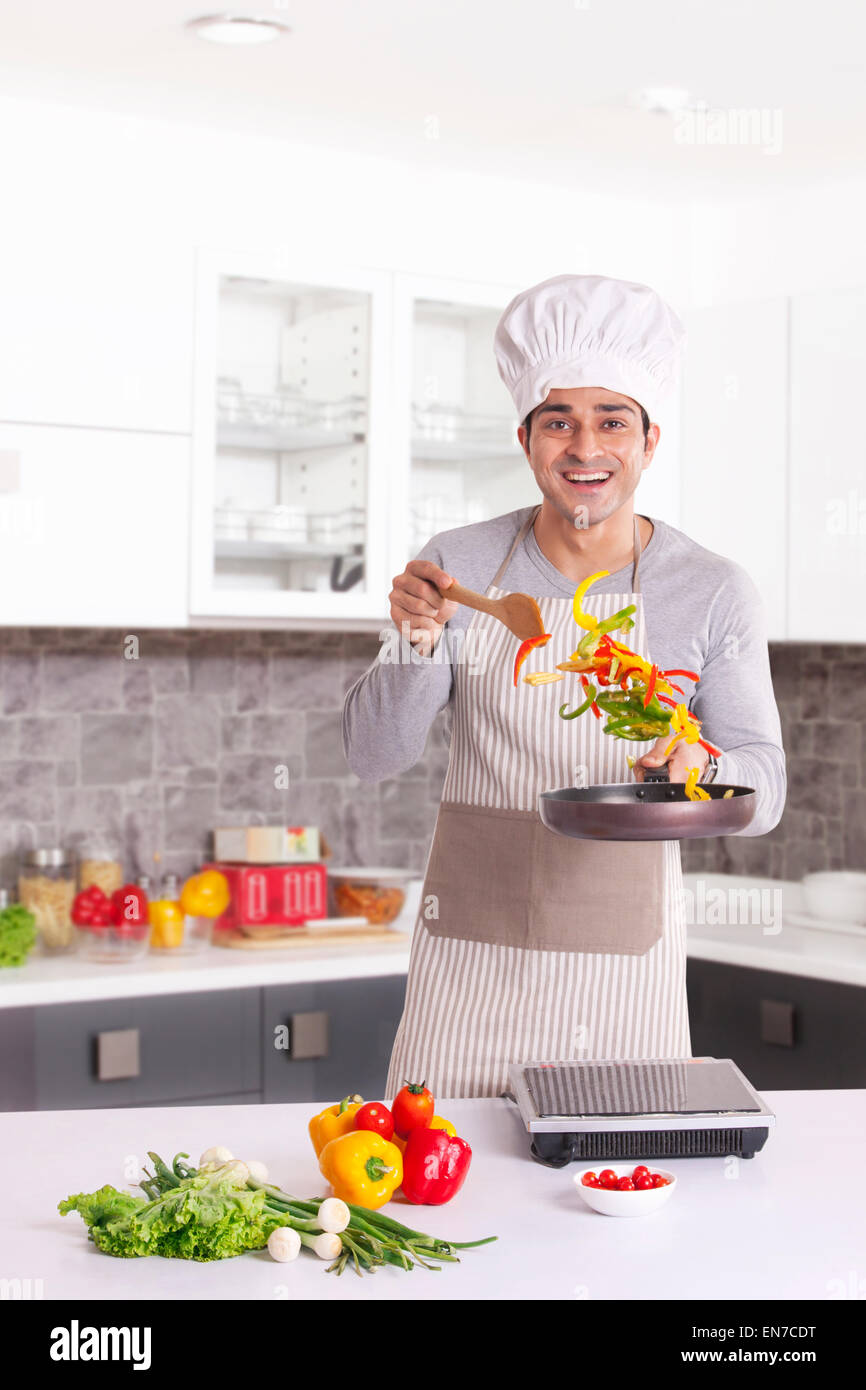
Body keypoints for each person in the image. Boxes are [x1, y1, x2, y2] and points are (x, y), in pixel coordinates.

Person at [342, 273, 786, 1098]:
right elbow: (374, 756)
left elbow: (767, 788)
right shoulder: (465, 566)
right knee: (444, 1212)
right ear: (525, 439)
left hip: (623, 986)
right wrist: (412, 644)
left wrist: (700, 760)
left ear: (651, 441)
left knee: (609, 1212)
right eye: (560, 422)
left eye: (612, 420)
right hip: (465, 976)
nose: (586, 449)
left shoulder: (711, 588)